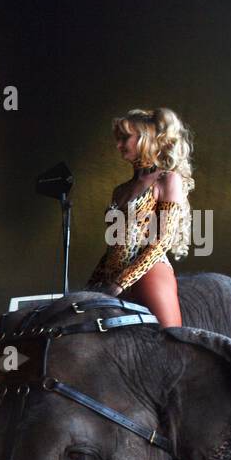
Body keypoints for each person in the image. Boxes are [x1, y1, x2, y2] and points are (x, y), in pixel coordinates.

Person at [87, 107, 194, 328]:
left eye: (125, 138)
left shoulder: (167, 180)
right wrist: (92, 283)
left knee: (169, 339)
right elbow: (113, 247)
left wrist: (122, 282)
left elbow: (162, 241)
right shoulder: (120, 190)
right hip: (113, 278)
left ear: (146, 139)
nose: (118, 146)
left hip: (150, 273)